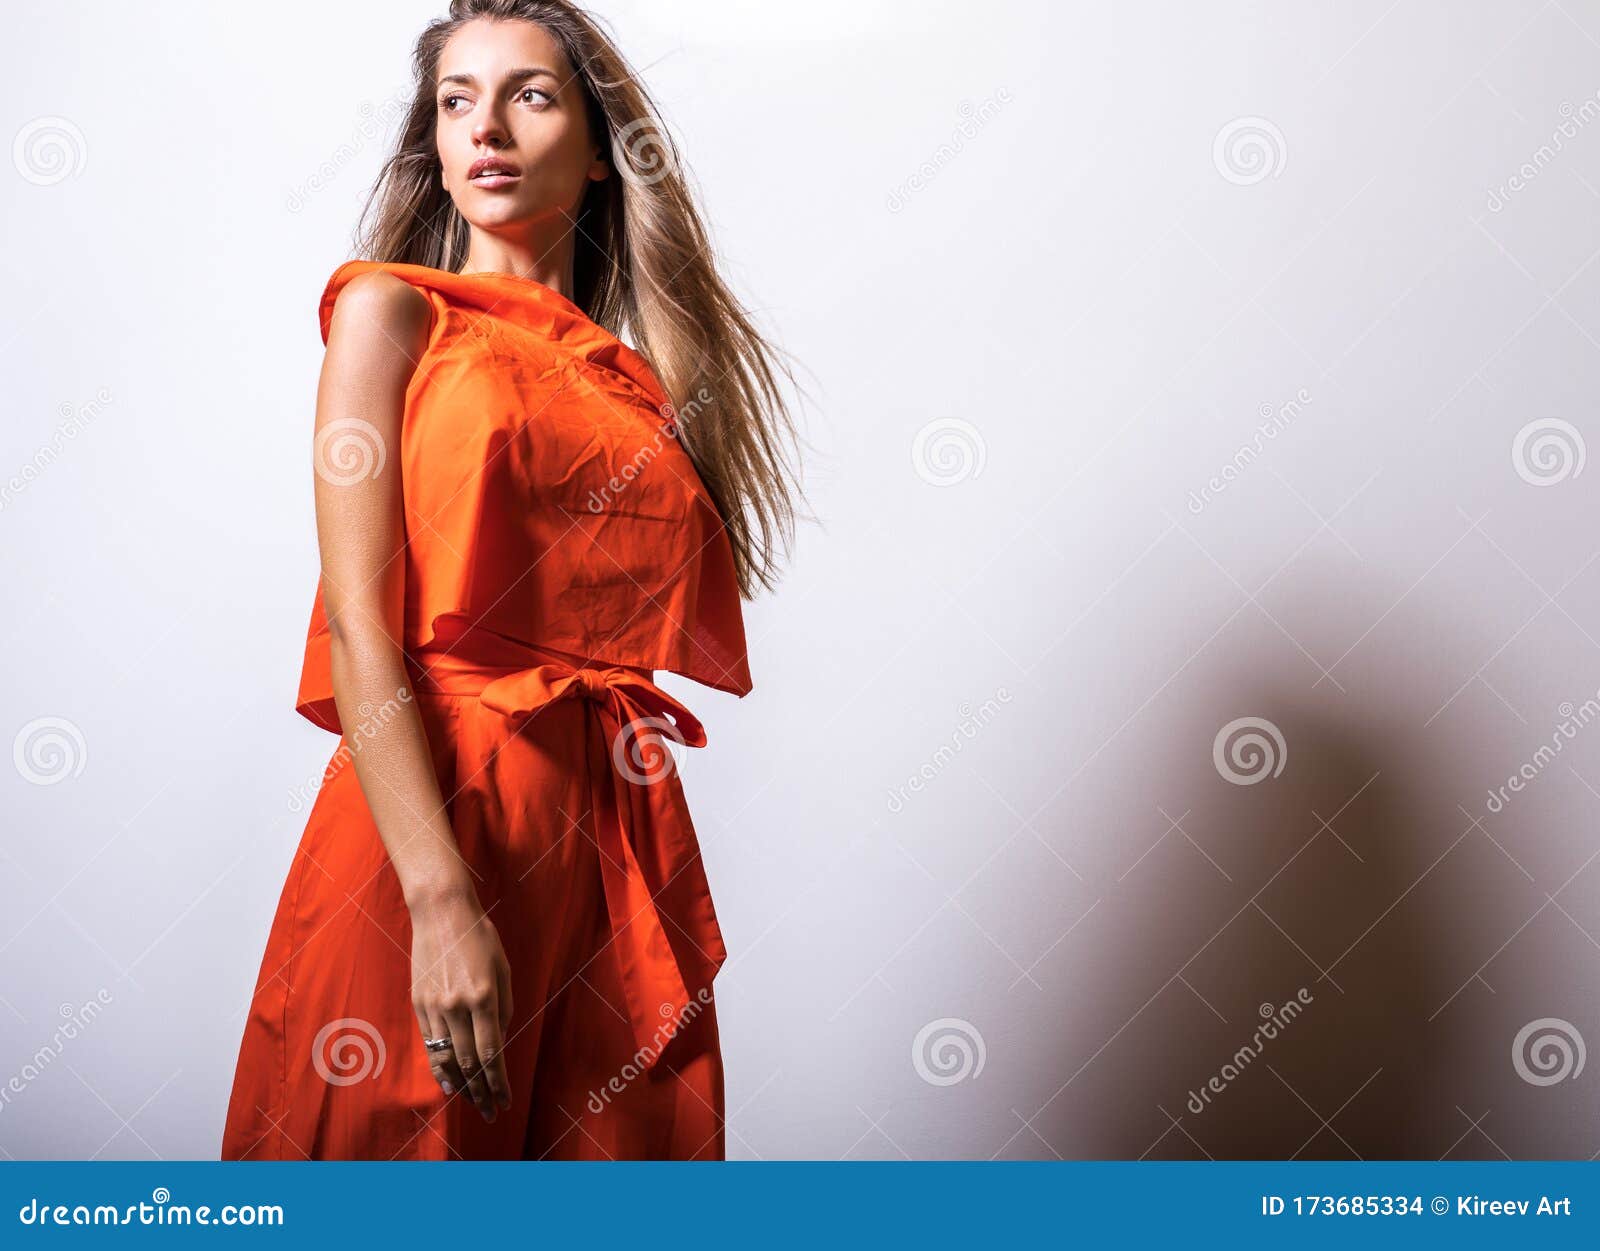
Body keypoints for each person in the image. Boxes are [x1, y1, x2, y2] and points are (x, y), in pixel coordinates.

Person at [221, 0, 804, 1160]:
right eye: (456, 101)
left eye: (529, 94)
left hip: (607, 845)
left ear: (600, 153)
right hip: (430, 825)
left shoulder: (639, 385)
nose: (485, 125)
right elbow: (358, 623)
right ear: (433, 145)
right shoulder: (391, 314)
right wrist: (439, 901)